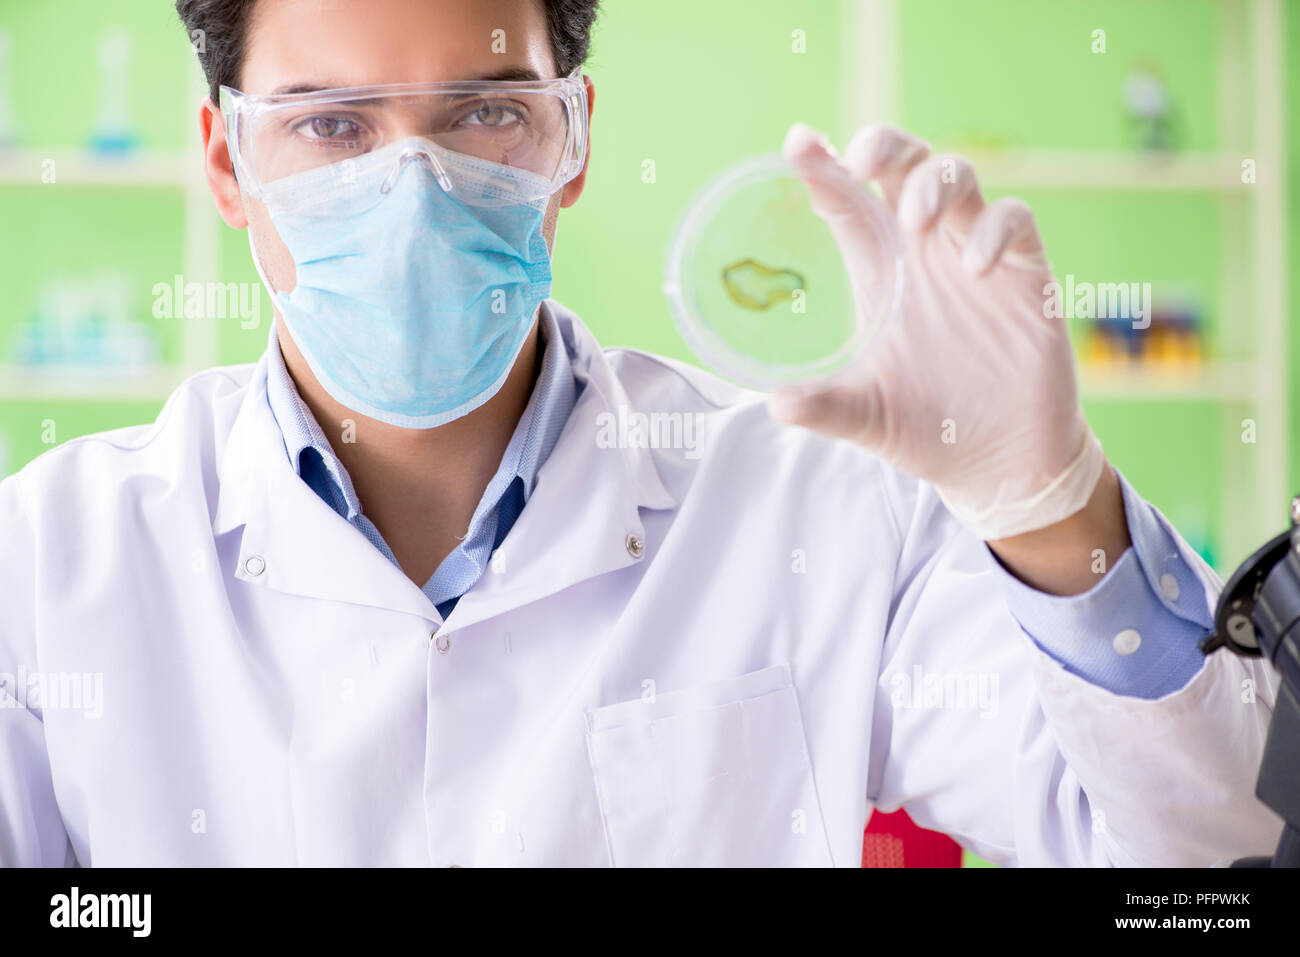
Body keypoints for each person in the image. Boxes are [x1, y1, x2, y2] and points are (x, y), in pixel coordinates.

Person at [0, 0, 1282, 866]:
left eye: (485, 114)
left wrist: (1045, 498)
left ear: (573, 140)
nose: (412, 193)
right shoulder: (49, 559)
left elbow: (1205, 862)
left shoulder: (822, 508)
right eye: (331, 125)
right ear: (227, 163)